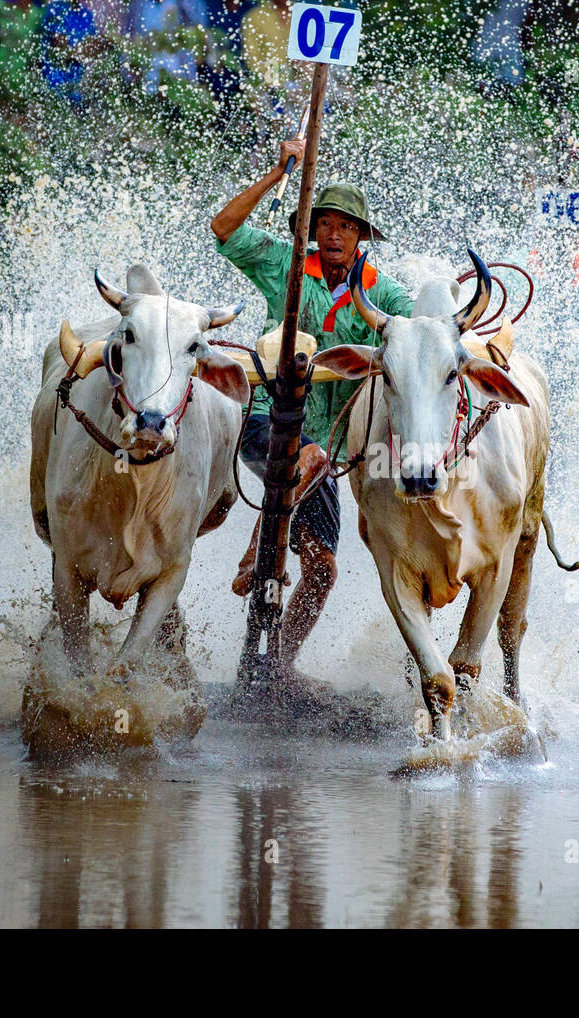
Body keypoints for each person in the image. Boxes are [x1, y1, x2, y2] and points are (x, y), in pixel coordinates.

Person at [211, 135, 414, 678]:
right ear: (312, 225)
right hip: (264, 423)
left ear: (362, 237)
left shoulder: (384, 295)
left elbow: (418, 335)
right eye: (324, 222)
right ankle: (256, 551)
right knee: (313, 461)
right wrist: (278, 174)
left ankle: (278, 664)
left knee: (322, 570)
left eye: (346, 226)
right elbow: (223, 229)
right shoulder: (285, 264)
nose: (333, 234)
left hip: (324, 444)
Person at [40, 0, 97, 105]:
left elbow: (91, 46)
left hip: (77, 83)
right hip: (55, 80)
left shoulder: (86, 15)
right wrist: (79, 50)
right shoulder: (57, 9)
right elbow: (58, 42)